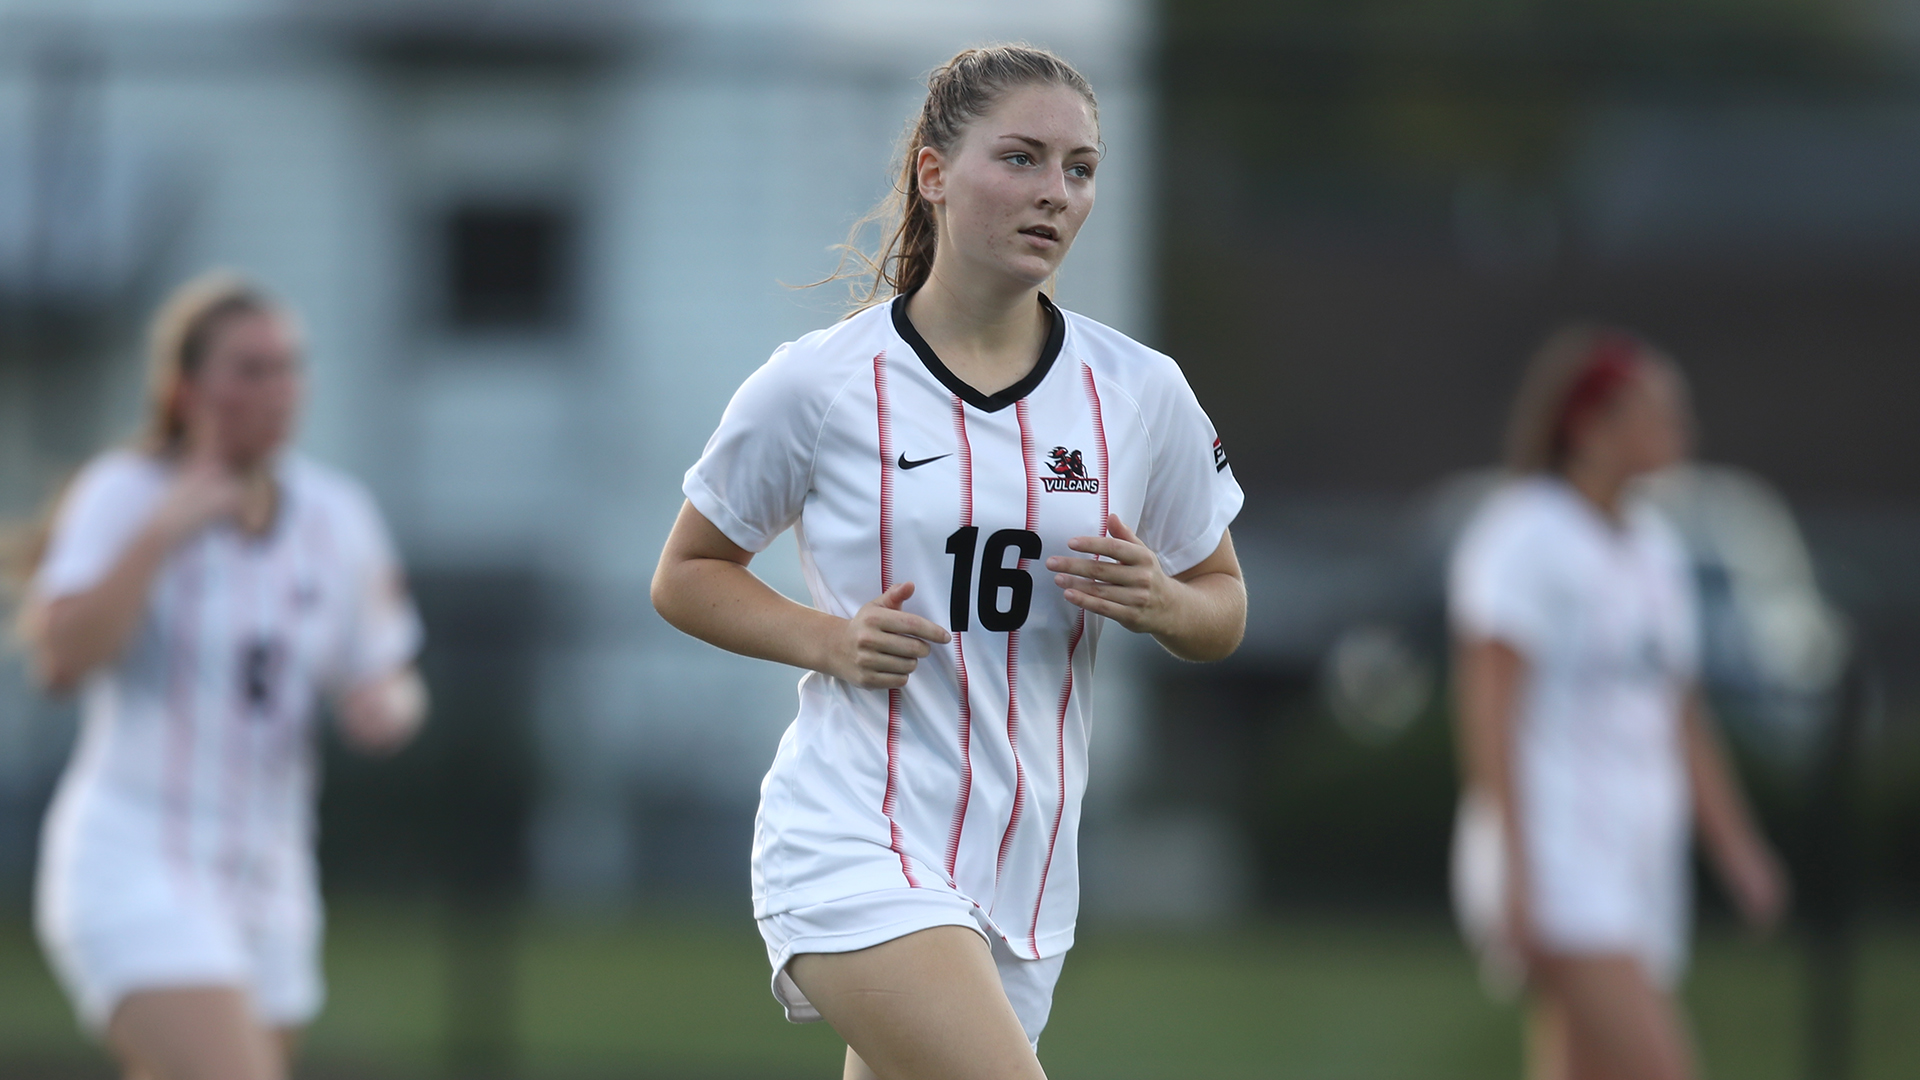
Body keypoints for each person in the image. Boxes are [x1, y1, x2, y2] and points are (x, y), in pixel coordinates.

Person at [652, 44, 1246, 1080]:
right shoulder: (823, 384)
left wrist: (1162, 602)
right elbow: (688, 572)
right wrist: (828, 639)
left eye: (1080, 168)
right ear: (934, 173)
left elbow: (1223, 603)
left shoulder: (1138, 392)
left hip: (1023, 872)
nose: (1054, 193)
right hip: (851, 837)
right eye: (1020, 159)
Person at [13, 272, 427, 1080]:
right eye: (250, 368)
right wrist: (162, 533)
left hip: (269, 878)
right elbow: (63, 662)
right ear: (186, 387)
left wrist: (390, 704)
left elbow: (392, 673)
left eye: (289, 366)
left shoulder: (337, 516)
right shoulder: (124, 495)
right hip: (132, 859)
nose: (278, 388)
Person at [1449, 326, 1790, 1080]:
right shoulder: (1525, 537)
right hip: (1559, 855)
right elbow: (1489, 707)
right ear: (1589, 424)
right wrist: (1515, 866)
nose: (1681, 431)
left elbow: (1680, 714)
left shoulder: (1657, 548)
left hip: (1637, 860)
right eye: (1657, 412)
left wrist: (1736, 848)